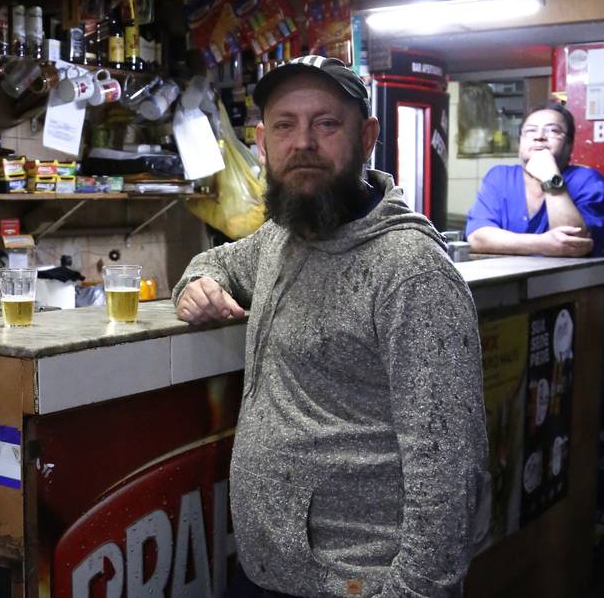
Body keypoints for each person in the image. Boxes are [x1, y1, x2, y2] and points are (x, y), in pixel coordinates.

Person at [173, 56, 488, 597]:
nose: (303, 143)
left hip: (362, 583)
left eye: (326, 124)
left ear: (367, 137)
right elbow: (221, 262)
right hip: (270, 570)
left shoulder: (410, 271)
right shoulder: (284, 236)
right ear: (262, 141)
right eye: (285, 125)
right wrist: (196, 283)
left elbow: (450, 476)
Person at [466, 103, 604, 257]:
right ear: (520, 141)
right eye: (530, 130)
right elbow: (477, 238)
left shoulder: (587, 180)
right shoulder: (499, 177)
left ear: (569, 145)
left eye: (553, 130)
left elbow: (572, 244)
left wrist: (550, 177)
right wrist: (542, 244)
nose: (539, 137)